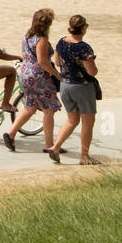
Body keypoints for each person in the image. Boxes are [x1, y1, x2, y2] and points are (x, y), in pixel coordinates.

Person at [4, 8, 60, 151]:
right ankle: (49, 145)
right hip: (38, 76)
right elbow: (42, 62)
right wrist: (56, 74)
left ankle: (11, 134)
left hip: (25, 73)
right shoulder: (41, 39)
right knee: (49, 110)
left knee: (30, 107)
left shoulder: (27, 36)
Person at [49, 15, 102, 165]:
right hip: (82, 87)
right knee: (87, 122)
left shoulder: (61, 42)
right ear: (83, 28)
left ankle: (55, 147)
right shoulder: (83, 47)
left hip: (65, 85)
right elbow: (92, 72)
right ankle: (84, 156)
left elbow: (57, 62)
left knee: (72, 121)